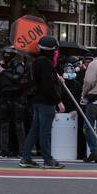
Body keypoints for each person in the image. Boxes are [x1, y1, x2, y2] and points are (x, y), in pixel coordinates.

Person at [19, 36, 64, 169]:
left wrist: (56, 77)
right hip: (46, 102)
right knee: (45, 131)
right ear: (51, 50)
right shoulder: (46, 63)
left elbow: (44, 80)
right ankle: (48, 159)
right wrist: (59, 101)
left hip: (37, 101)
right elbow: (48, 85)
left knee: (35, 130)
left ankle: (26, 157)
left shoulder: (38, 61)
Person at [0, 47, 29, 158]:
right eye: (5, 54)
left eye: (8, 54)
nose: (6, 56)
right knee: (4, 125)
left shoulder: (19, 65)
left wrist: (4, 71)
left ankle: (22, 150)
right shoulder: (1, 66)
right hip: (4, 98)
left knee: (19, 126)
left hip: (17, 98)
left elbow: (16, 78)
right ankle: (4, 150)